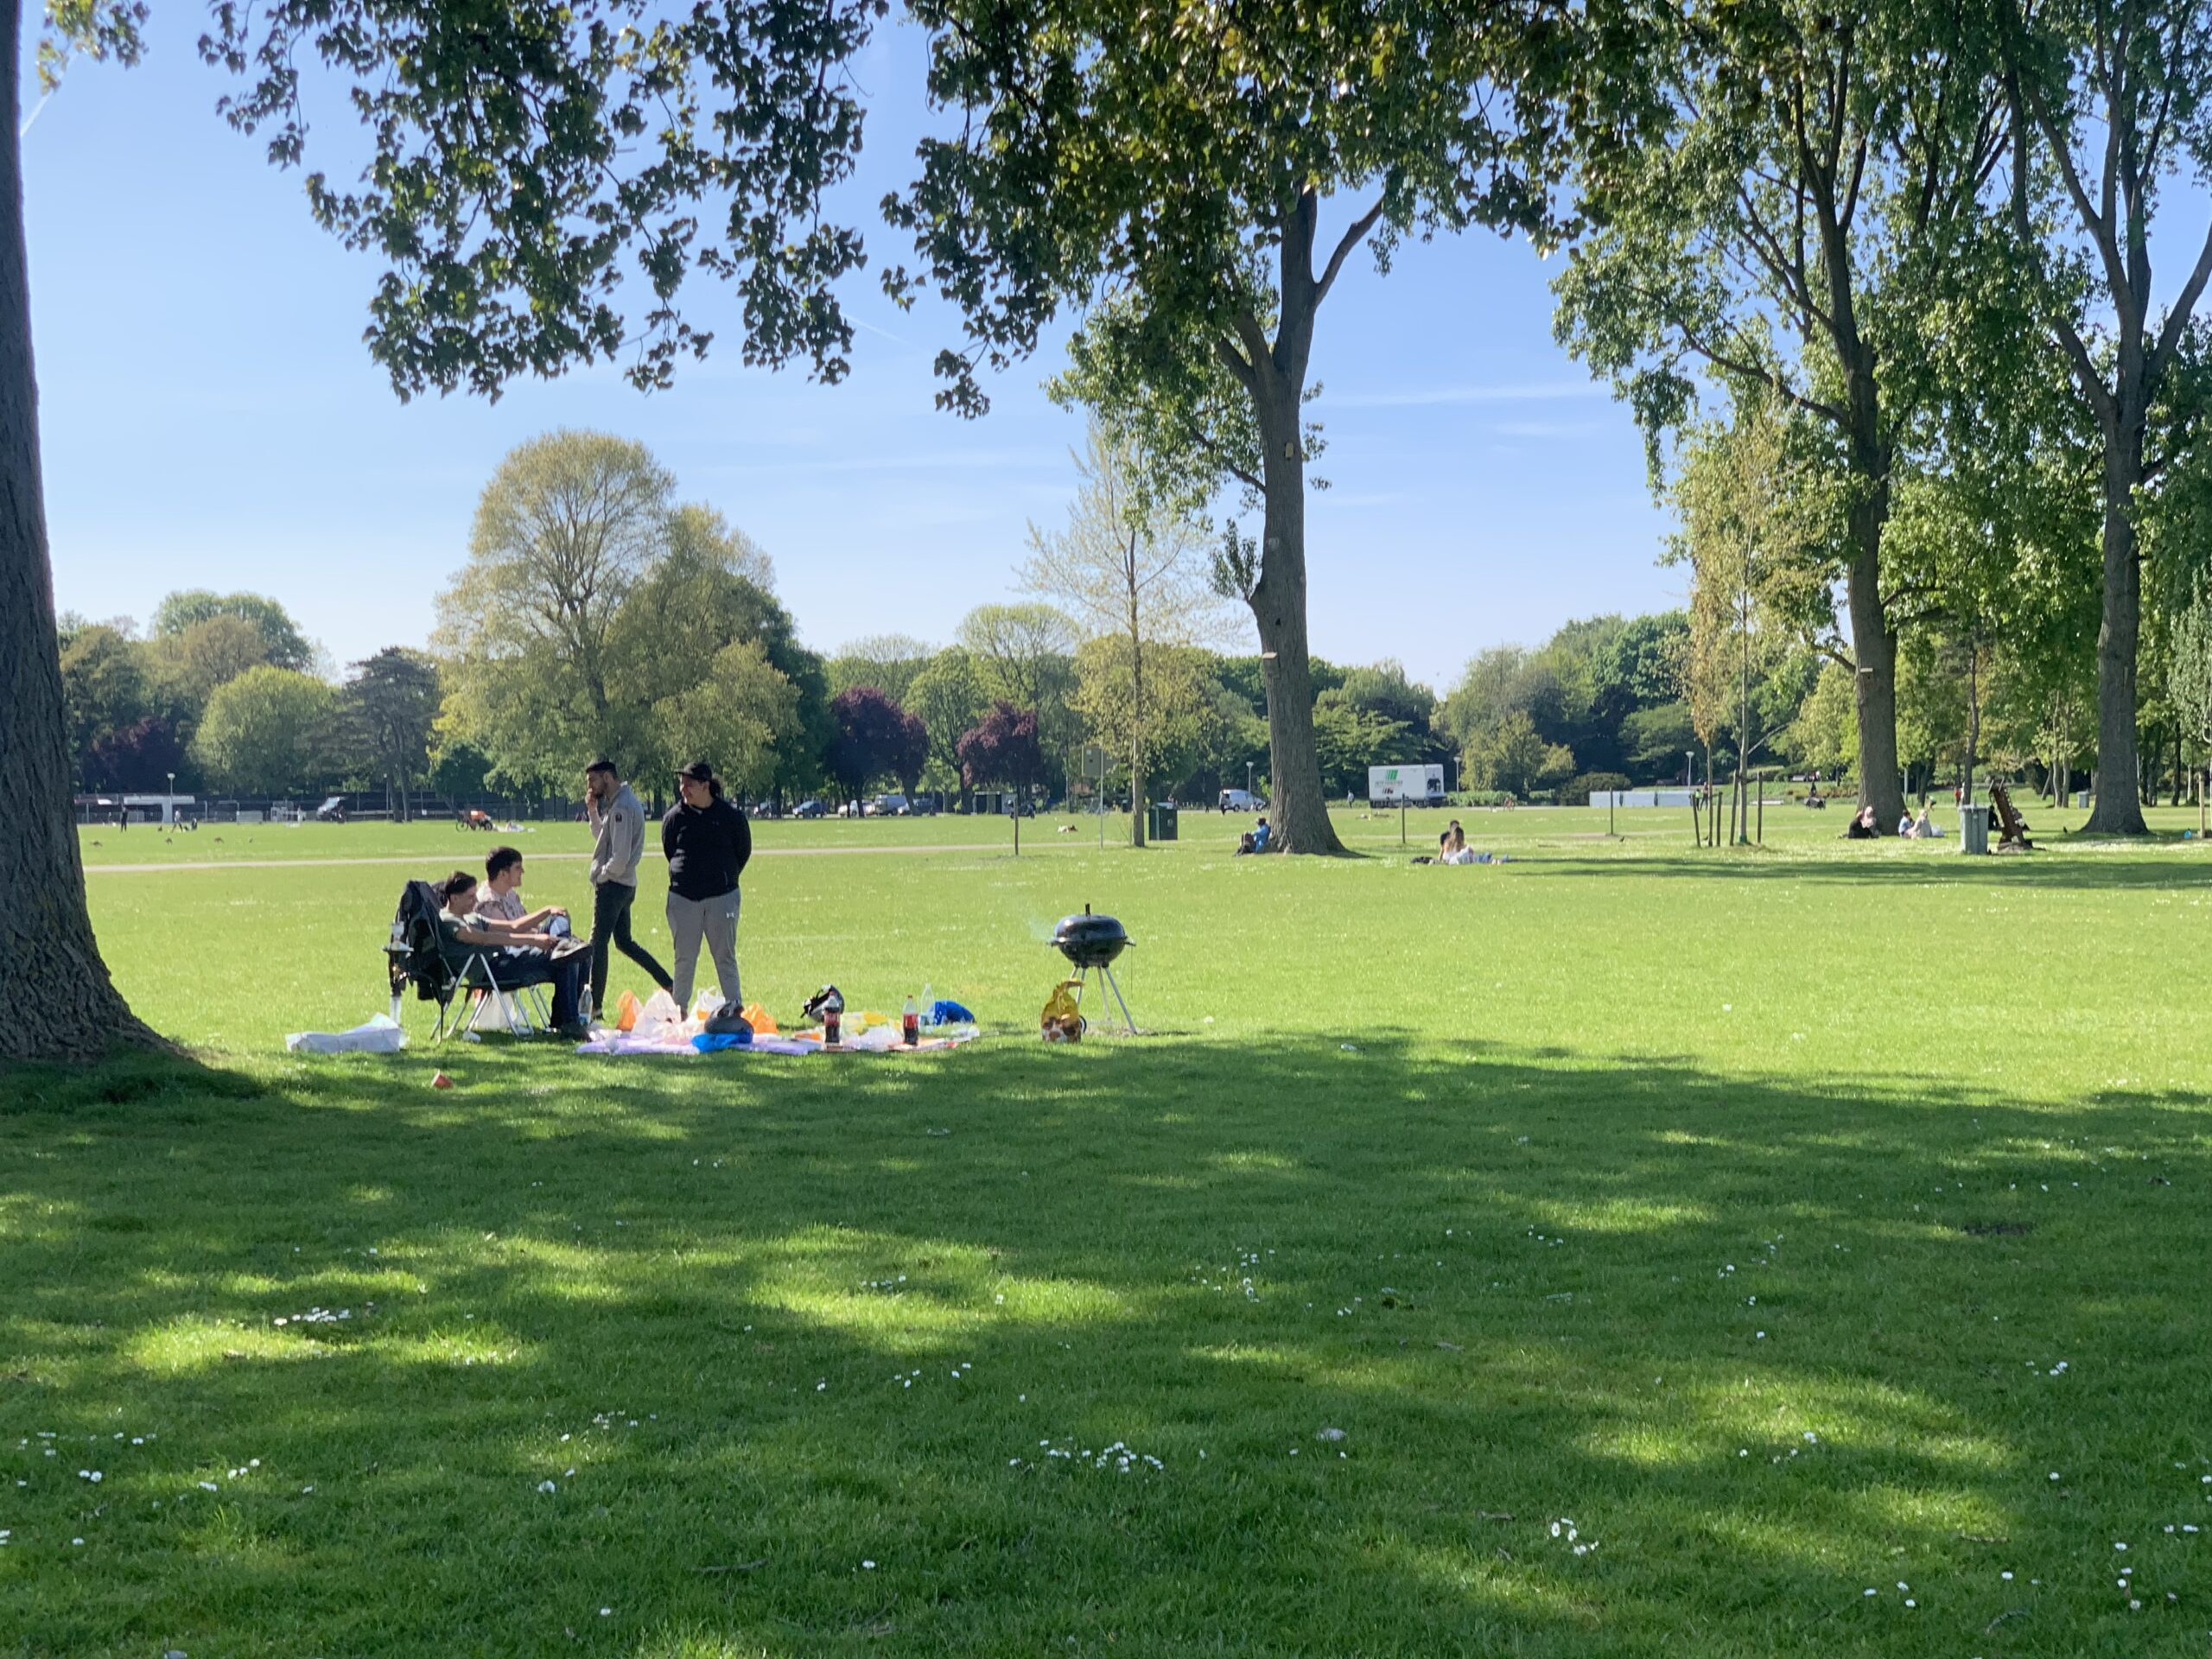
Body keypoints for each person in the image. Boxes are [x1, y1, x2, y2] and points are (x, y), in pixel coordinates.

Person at [434, 870, 588, 1038]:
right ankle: (569, 1022)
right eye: (470, 897)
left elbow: (513, 926)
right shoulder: (447, 920)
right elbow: (484, 939)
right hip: (493, 970)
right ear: (454, 898)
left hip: (507, 960)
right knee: (570, 957)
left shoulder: (471, 916)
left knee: (559, 925)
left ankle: (564, 948)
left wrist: (547, 910)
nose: (476, 900)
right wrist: (533, 940)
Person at [585, 758, 672, 1020]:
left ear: (607, 778)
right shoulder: (618, 804)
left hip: (614, 885)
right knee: (624, 942)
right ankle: (668, 983)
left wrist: (603, 875)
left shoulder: (622, 806)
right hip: (624, 884)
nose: (590, 787)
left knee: (598, 943)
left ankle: (595, 1007)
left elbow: (620, 855)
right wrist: (592, 812)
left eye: (593, 780)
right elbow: (605, 838)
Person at [663, 760, 751, 1012]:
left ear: (705, 786)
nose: (683, 789)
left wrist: (724, 877)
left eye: (689, 784)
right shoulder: (674, 818)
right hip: (683, 898)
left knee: (725, 957)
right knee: (684, 959)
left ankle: (734, 1009)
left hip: (722, 897)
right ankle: (679, 1012)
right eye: (681, 783)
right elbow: (670, 850)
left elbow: (743, 850)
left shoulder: (730, 817)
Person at [476, 846, 570, 931]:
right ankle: (565, 945)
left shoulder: (510, 893)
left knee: (559, 917)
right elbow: (510, 933)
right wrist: (546, 911)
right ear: (503, 874)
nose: (522, 871)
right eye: (517, 868)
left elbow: (530, 923)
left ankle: (567, 943)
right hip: (518, 947)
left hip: (532, 940)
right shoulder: (488, 903)